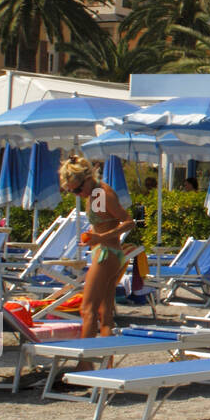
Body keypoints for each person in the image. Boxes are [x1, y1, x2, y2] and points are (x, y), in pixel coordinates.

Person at [60, 155, 137, 367]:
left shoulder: (102, 193)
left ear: (87, 178)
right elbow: (105, 220)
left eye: (77, 189)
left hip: (106, 254)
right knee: (105, 313)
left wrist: (101, 237)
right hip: (105, 253)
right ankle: (107, 364)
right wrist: (95, 234)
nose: (78, 194)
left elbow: (129, 222)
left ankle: (84, 364)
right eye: (73, 191)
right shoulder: (94, 194)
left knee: (87, 309)